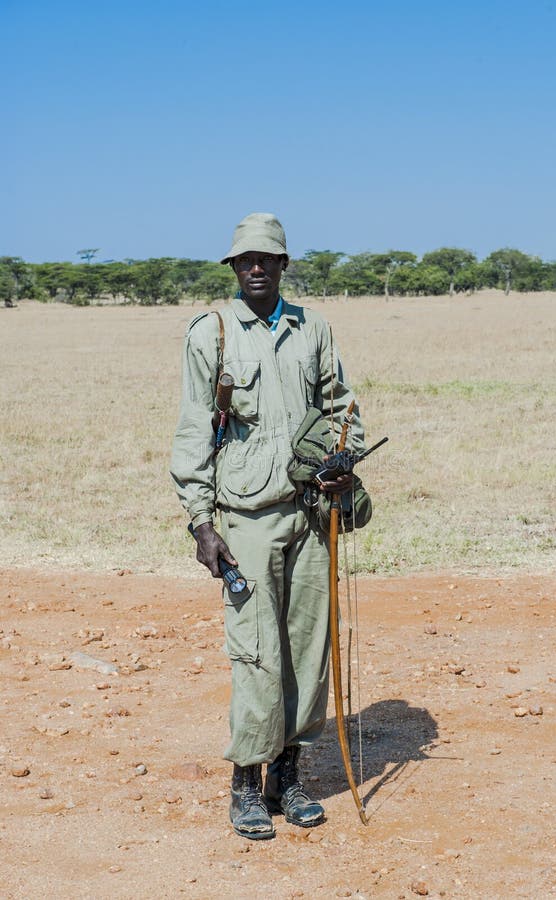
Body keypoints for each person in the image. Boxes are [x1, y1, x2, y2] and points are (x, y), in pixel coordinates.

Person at [170, 213, 366, 840]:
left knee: (308, 647)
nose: (257, 267)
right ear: (233, 268)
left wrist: (343, 461)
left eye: (268, 258)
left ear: (284, 265)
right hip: (247, 520)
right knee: (257, 651)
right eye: (245, 260)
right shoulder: (214, 334)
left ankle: (290, 773)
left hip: (311, 515)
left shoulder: (315, 329)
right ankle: (246, 786)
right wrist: (202, 523)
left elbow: (342, 408)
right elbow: (193, 430)